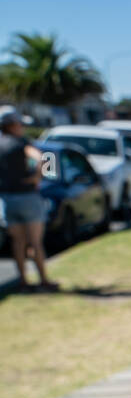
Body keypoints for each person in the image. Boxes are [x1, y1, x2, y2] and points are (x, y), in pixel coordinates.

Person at [0, 106, 56, 292]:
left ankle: (23, 281)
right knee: (35, 242)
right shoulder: (21, 143)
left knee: (18, 243)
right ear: (12, 125)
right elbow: (41, 158)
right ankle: (44, 280)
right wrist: (37, 177)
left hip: (7, 199)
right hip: (27, 197)